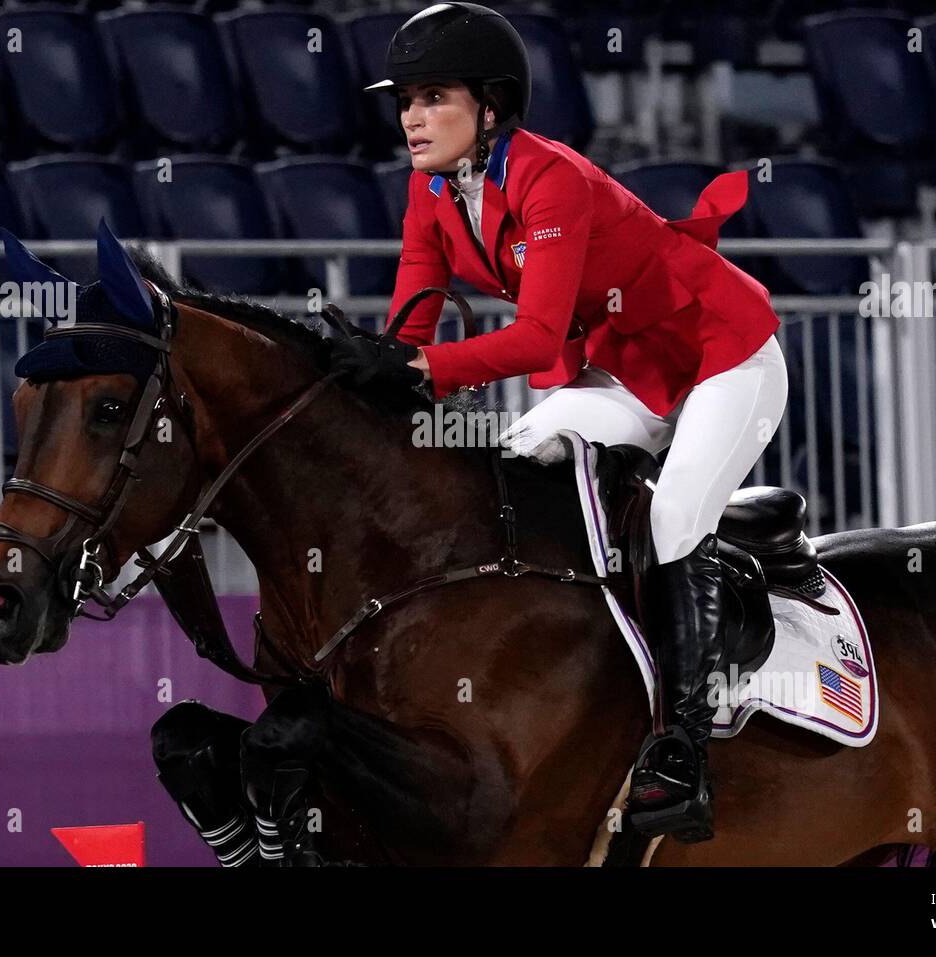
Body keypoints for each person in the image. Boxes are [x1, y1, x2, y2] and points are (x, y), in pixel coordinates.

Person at [332, 1, 789, 843]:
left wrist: (420, 369)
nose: (410, 118)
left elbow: (536, 336)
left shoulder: (553, 178)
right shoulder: (430, 190)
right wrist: (356, 376)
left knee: (675, 511)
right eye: (405, 100)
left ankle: (679, 752)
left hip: (724, 345)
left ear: (492, 107)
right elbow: (411, 333)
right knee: (519, 463)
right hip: (629, 359)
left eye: (434, 97)